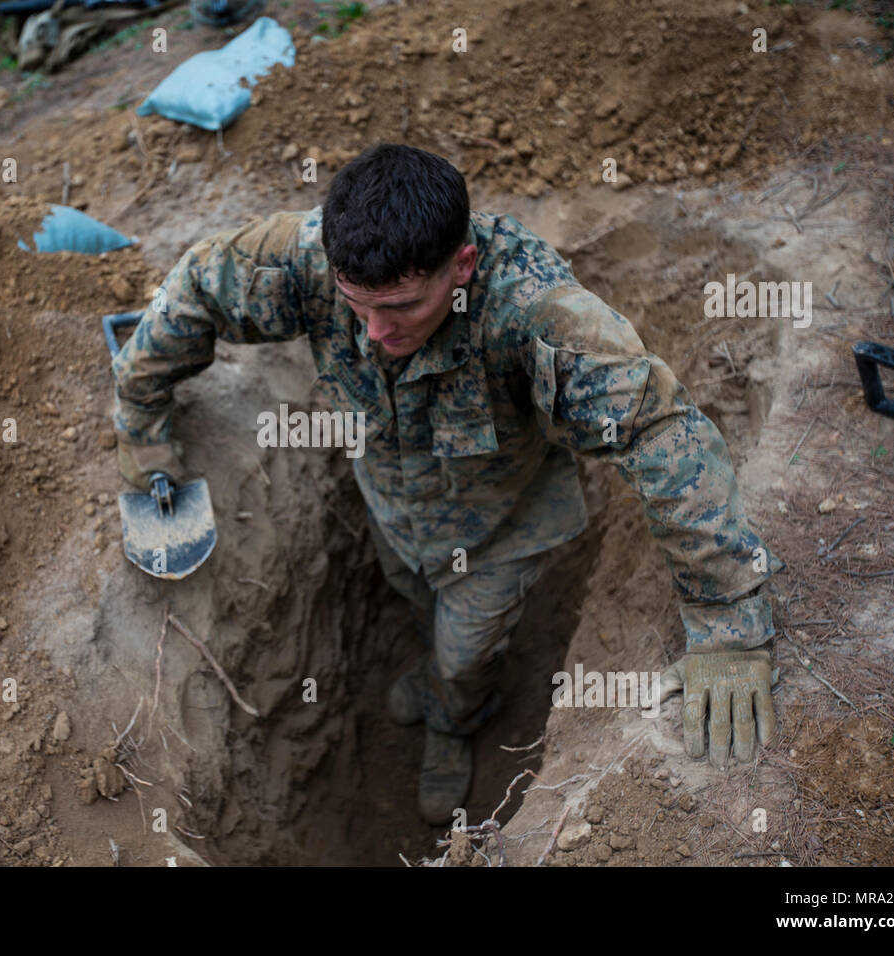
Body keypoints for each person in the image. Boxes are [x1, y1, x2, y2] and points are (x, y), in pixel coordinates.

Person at [112, 144, 782, 826]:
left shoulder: (535, 310)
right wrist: (140, 420)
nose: (374, 332)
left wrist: (728, 627)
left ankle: (454, 722)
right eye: (356, 305)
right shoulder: (306, 258)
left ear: (459, 266)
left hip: (502, 529)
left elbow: (664, 434)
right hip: (391, 507)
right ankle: (437, 680)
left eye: (401, 307)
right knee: (416, 603)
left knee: (466, 658)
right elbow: (195, 285)